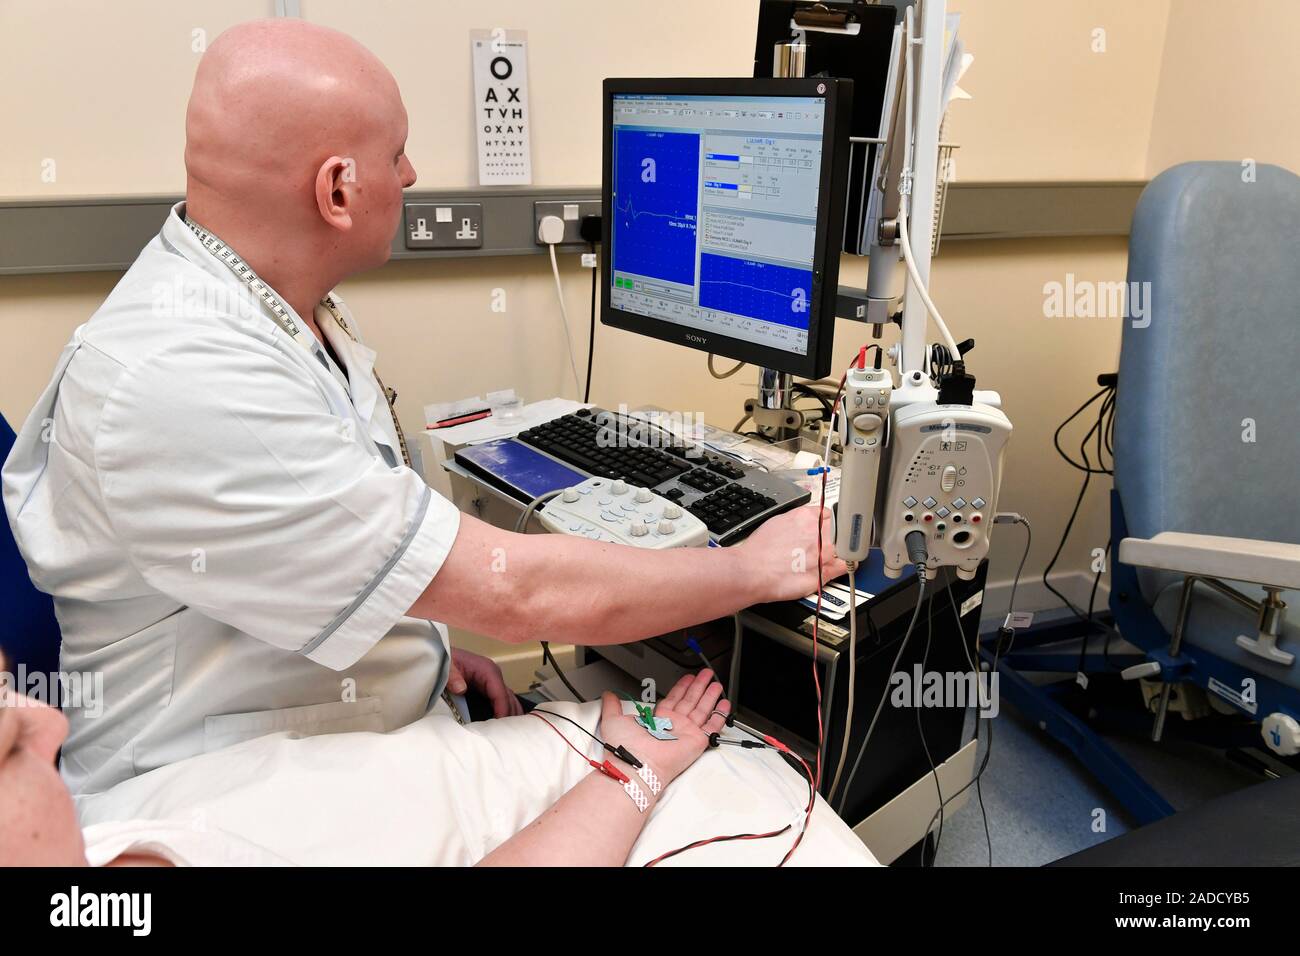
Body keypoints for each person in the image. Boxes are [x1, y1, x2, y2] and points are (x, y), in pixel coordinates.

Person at [1, 14, 844, 826]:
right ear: (338, 189)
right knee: (750, 785)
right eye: (396, 154)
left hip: (309, 718)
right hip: (224, 788)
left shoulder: (261, 301)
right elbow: (517, 591)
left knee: (630, 728)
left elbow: (330, 545)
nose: (410, 176)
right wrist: (752, 569)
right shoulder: (182, 378)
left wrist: (415, 656)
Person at [1, 651, 873, 866]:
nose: (46, 724)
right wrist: (637, 767)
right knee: (745, 760)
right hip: (592, 784)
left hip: (486, 754)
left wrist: (407, 651)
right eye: (7, 745)